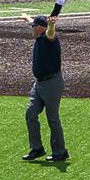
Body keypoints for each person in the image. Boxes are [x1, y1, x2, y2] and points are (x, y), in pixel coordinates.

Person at [21, 14, 69, 163]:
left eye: (34, 26)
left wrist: (52, 25)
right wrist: (27, 18)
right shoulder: (39, 34)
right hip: (39, 84)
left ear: (41, 28)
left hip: (52, 84)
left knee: (52, 118)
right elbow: (35, 24)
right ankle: (37, 148)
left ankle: (60, 152)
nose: (32, 28)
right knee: (30, 113)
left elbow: (50, 34)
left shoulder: (49, 39)